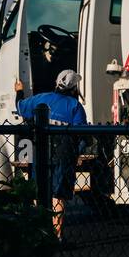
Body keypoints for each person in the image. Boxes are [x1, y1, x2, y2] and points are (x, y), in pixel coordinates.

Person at [15, 70, 87, 237]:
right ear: (74, 87)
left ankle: (38, 231)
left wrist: (19, 90)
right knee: (58, 194)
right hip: (64, 152)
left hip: (41, 150)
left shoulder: (41, 99)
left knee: (38, 190)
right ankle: (56, 235)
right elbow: (81, 133)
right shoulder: (75, 106)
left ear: (56, 82)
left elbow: (20, 108)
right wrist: (77, 154)